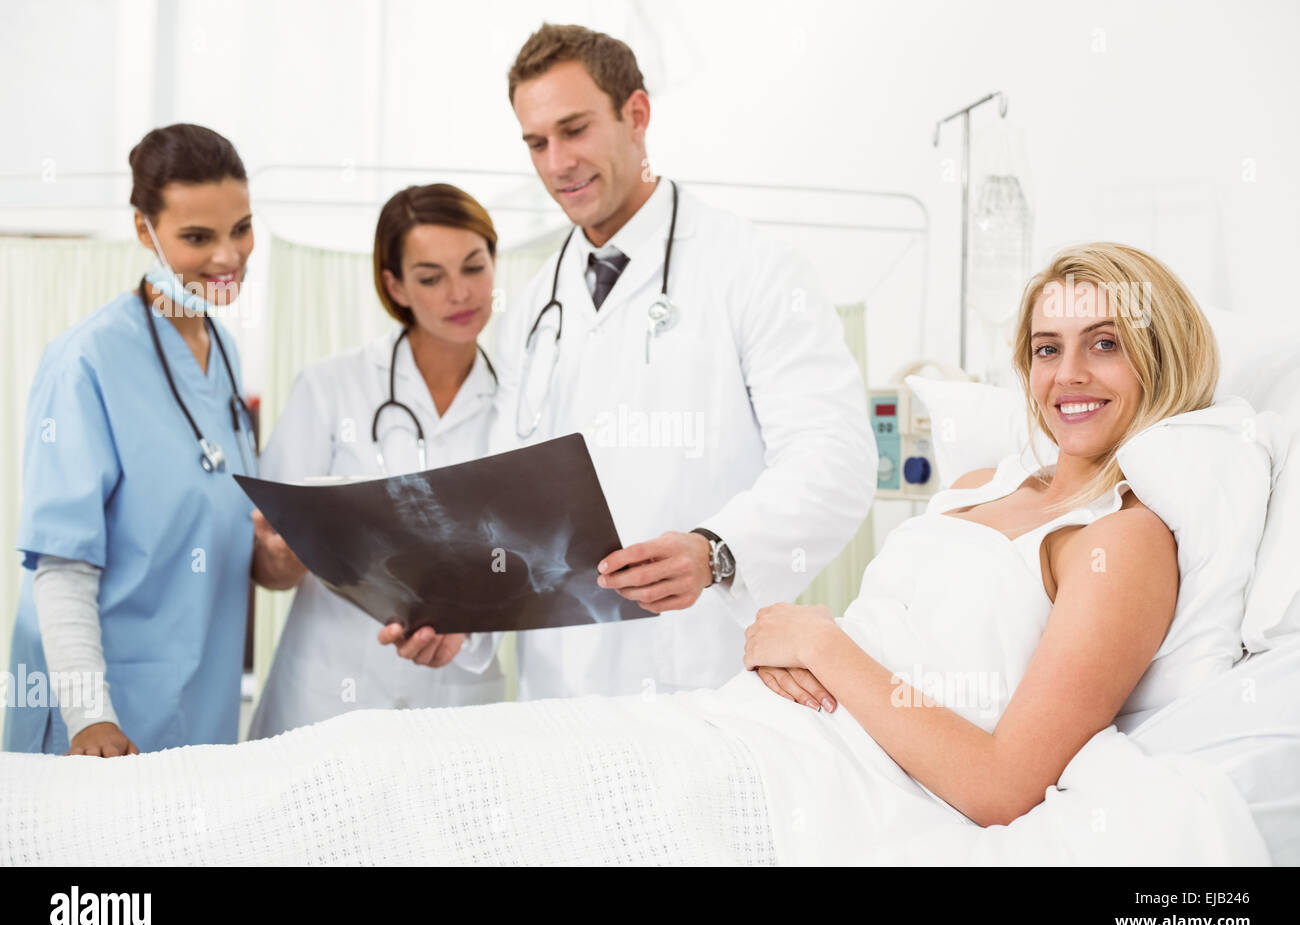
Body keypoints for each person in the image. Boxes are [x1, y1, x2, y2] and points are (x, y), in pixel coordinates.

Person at [0, 243, 1212, 861]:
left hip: (807, 787)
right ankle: (62, 830)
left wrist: (819, 640)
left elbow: (1000, 782)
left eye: (1103, 343)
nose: (1067, 374)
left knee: (387, 798)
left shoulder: (1123, 538)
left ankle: (70, 843)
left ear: (1161, 353)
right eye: (1046, 346)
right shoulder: (981, 487)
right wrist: (789, 641)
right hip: (730, 719)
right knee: (370, 763)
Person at [383, 24, 877, 702]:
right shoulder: (532, 307)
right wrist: (463, 615)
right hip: (559, 693)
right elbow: (508, 501)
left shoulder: (753, 270)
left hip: (704, 681)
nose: (558, 163)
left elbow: (835, 460)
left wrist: (717, 550)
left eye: (575, 129)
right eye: (536, 142)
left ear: (636, 115)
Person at [2, 123, 301, 757]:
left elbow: (209, 533)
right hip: (100, 726)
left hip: (199, 713)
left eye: (241, 228)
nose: (228, 256)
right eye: (197, 237)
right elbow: (61, 566)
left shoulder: (223, 354)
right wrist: (89, 717)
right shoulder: (87, 361)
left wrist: (278, 560)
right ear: (144, 230)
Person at [248, 185, 506, 739]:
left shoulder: (520, 403)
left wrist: (472, 621)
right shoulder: (330, 387)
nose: (460, 293)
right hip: (329, 694)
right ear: (395, 285)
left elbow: (528, 562)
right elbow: (267, 567)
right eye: (431, 277)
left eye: (474, 266)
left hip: (457, 702)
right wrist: (282, 557)